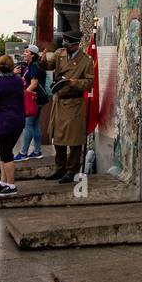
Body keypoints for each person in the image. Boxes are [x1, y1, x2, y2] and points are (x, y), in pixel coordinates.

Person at [41, 32, 93, 183]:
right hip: (59, 103)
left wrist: (72, 82)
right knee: (58, 138)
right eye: (65, 44)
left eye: (69, 45)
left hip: (74, 103)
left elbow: (89, 83)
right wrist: (42, 60)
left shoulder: (85, 60)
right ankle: (59, 168)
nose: (66, 47)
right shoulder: (60, 54)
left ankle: (72, 170)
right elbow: (48, 65)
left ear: (76, 44)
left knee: (74, 140)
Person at [0, 54, 26, 196]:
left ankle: (11, 185)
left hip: (4, 122)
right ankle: (3, 182)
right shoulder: (18, 81)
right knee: (3, 152)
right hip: (18, 121)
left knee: (6, 154)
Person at [15, 45, 45, 160]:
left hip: (34, 99)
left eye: (27, 52)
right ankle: (37, 151)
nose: (24, 53)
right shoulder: (32, 66)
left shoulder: (34, 67)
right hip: (39, 99)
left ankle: (23, 153)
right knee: (35, 125)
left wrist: (25, 94)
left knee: (28, 125)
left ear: (32, 55)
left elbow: (34, 83)